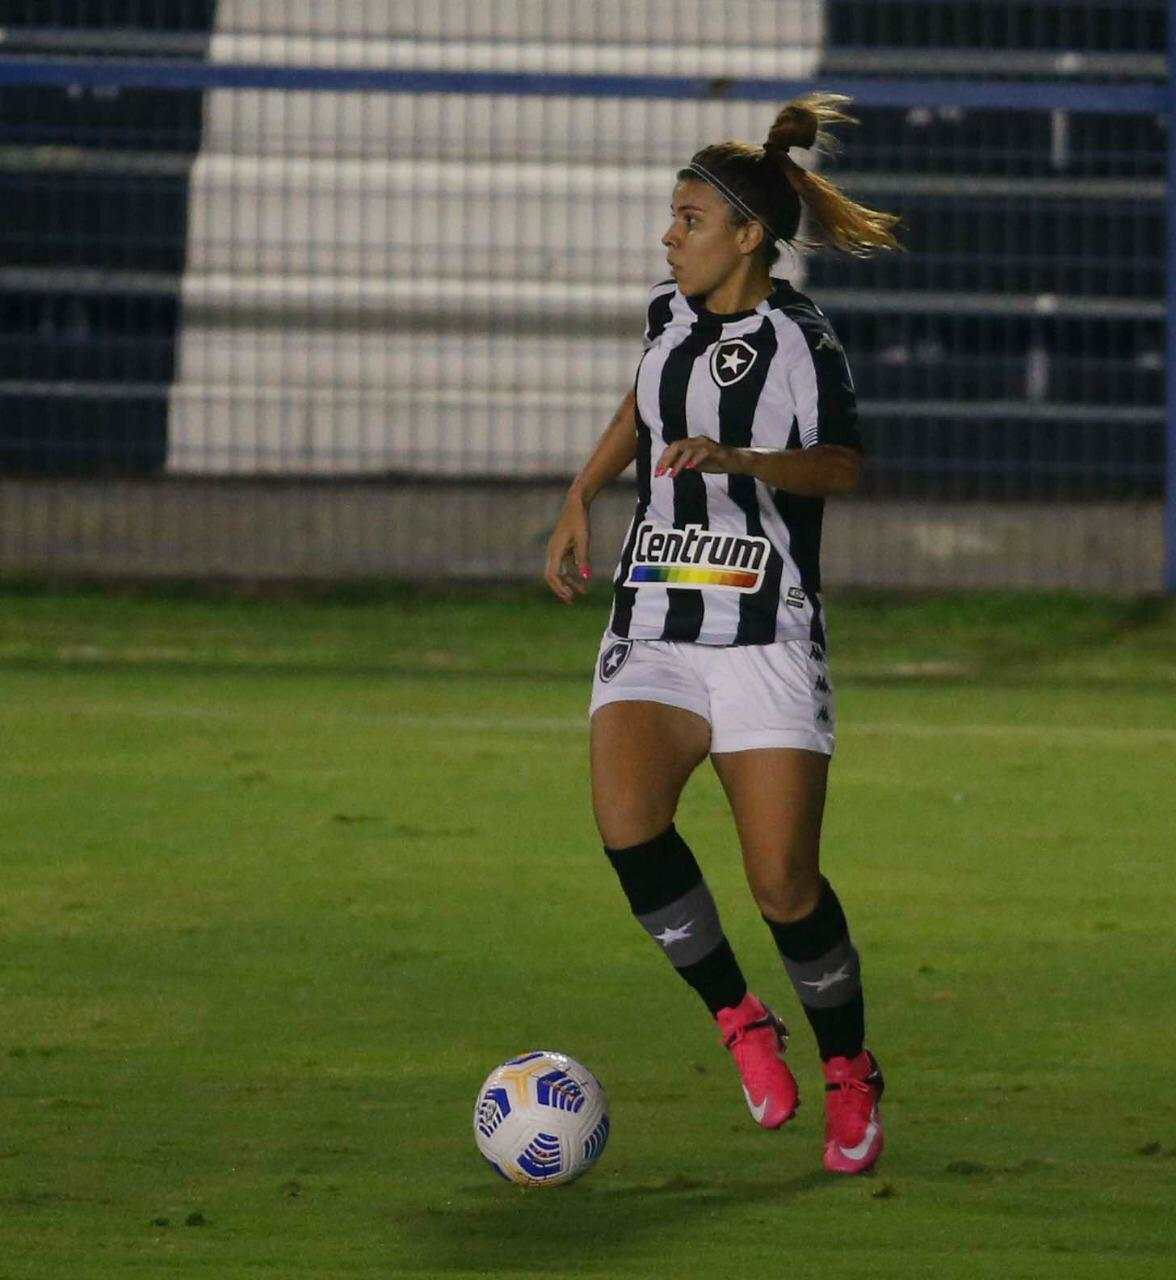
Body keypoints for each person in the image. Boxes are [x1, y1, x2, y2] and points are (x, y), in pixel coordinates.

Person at [544, 94, 901, 1175]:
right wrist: (580, 495)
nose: (671, 234)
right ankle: (741, 1017)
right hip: (654, 615)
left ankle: (848, 1064)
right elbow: (636, 407)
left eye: (689, 218)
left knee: (785, 883)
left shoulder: (801, 339)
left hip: (764, 626)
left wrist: (745, 462)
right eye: (672, 217)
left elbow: (841, 464)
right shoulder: (665, 313)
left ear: (748, 234)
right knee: (626, 818)